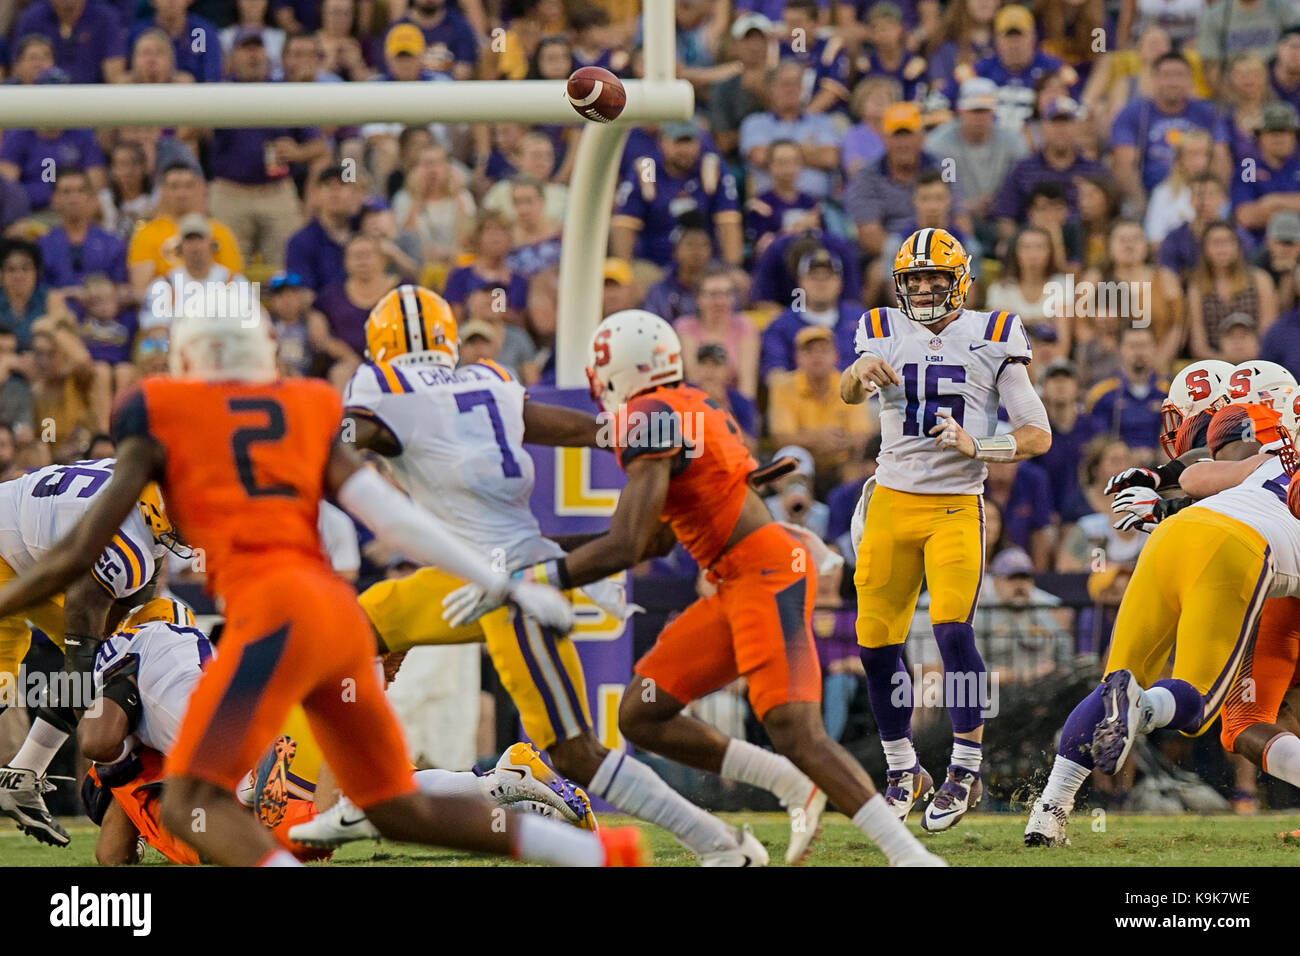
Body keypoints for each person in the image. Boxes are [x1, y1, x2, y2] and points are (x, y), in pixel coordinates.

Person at [0, 301, 644, 868]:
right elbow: (388, 516)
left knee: (195, 802)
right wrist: (502, 578)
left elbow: (70, 561)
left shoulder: (163, 415)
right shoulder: (305, 405)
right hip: (337, 619)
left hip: (271, 621)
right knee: (391, 806)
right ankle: (599, 854)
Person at [294, 285, 751, 865]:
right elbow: (541, 423)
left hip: (513, 586)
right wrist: (608, 432)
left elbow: (361, 431)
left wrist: (329, 434)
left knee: (577, 753)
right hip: (483, 570)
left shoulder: (383, 385)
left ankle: (720, 843)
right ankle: (369, 787)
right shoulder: (484, 378)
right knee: (356, 630)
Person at [532, 308, 945, 867]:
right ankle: (788, 783)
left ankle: (912, 858)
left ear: (617, 371)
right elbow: (651, 542)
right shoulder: (690, 406)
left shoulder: (652, 414)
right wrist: (540, 550)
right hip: (737, 579)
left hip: (763, 572)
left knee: (796, 730)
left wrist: (535, 577)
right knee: (641, 714)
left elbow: (630, 545)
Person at [840, 227, 1052, 831]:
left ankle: (965, 766)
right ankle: (903, 768)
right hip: (889, 502)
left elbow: (1038, 433)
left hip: (955, 505)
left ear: (960, 281)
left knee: (952, 633)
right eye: (916, 279)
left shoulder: (992, 334)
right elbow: (845, 391)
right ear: (901, 284)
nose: (926, 288)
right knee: (875, 644)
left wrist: (977, 443)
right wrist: (859, 373)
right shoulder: (880, 328)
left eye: (937, 278)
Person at [1026, 402, 1300, 845]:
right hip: (1238, 548)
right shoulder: (1276, 465)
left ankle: (1048, 811)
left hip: (1174, 533)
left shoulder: (1267, 462)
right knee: (1196, 705)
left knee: (1111, 683)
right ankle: (1143, 706)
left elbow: (1196, 476)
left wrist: (1159, 480)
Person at [0, 462, 174, 845]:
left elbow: (109, 640)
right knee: (11, 675)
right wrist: (113, 759)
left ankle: (23, 773)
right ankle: (25, 773)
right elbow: (82, 654)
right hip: (8, 551)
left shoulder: (140, 497)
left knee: (110, 657)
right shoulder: (127, 540)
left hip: (25, 552)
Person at [611, 123, 742, 269]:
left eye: (690, 142)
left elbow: (729, 223)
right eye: (678, 143)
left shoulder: (712, 168)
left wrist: (732, 268)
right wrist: (625, 270)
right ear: (662, 142)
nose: (685, 150)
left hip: (705, 264)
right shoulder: (646, 170)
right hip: (654, 264)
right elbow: (623, 225)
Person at [768, 326, 878, 478]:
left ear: (836, 356)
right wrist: (818, 439)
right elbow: (780, 438)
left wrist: (839, 442)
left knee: (855, 466)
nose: (817, 357)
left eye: (823, 350)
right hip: (802, 462)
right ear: (797, 357)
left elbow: (862, 435)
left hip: (840, 462)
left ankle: (853, 500)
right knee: (790, 459)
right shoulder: (784, 387)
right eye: (809, 351)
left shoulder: (850, 384)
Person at [127, 162, 244, 300]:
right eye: (174, 187)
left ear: (199, 189)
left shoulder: (219, 231)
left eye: (188, 186)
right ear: (163, 191)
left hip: (215, 307)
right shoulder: (147, 233)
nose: (181, 193)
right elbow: (141, 290)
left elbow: (234, 281)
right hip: (168, 309)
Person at [760, 248, 863, 383]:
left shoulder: (862, 320)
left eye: (828, 276)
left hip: (858, 398)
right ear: (800, 282)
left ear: (840, 282)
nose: (821, 283)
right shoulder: (781, 325)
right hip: (800, 400)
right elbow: (774, 374)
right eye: (814, 276)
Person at [674, 264, 758, 398]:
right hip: (697, 404)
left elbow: (747, 385)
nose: (720, 301)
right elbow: (694, 379)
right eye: (713, 295)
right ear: (698, 298)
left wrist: (742, 412)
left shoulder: (745, 326)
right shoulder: (685, 327)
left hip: (735, 405)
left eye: (727, 294)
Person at [284, 165, 359, 293]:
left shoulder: (365, 230)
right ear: (316, 195)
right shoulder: (301, 241)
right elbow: (302, 292)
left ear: (354, 194)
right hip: (322, 310)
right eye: (327, 185)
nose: (335, 192)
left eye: (342, 185)